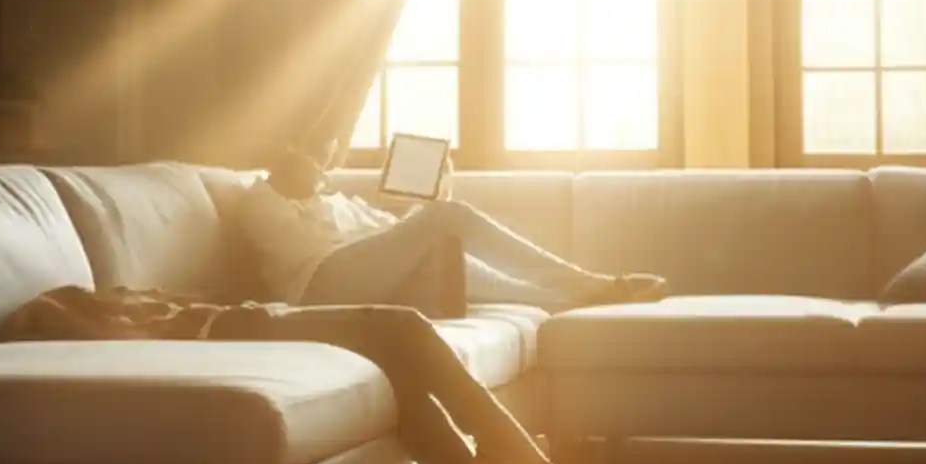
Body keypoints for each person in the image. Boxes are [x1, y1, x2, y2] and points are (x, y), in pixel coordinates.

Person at [0, 286, 589, 464]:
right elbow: (55, 319)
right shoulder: (55, 309)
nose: (130, 301)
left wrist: (149, 305)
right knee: (405, 328)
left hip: (237, 319)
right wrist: (141, 319)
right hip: (232, 328)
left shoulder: (112, 301)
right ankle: (508, 446)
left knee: (398, 364)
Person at [239, 139, 669, 311]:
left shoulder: (341, 200)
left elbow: (396, 236)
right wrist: (432, 218)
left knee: (447, 248)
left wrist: (438, 193)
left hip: (366, 275)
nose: (320, 166)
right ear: (282, 162)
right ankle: (586, 282)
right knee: (446, 219)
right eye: (310, 159)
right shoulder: (258, 201)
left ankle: (570, 301)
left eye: (321, 160)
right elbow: (294, 250)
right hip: (319, 283)